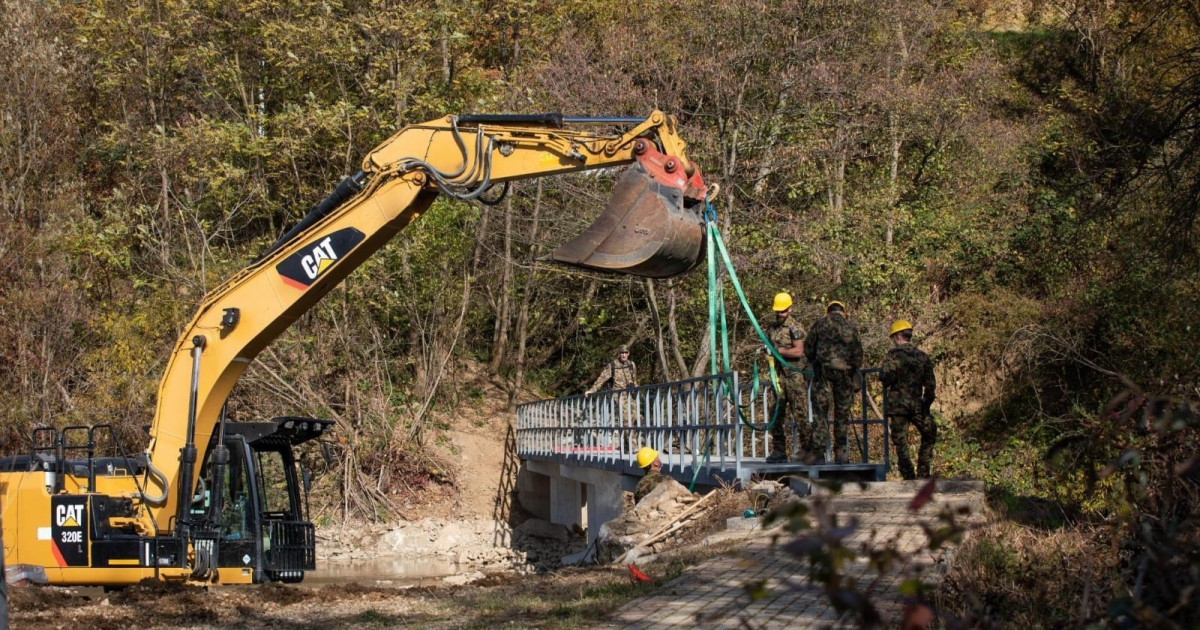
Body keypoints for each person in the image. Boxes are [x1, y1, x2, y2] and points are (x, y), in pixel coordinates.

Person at [762, 292, 821, 464]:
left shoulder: (795, 327)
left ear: (790, 309)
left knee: (800, 414)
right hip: (777, 376)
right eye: (778, 311)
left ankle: (808, 450)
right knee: (775, 413)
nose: (780, 314)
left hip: (794, 377)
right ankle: (779, 451)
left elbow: (798, 351)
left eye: (783, 311)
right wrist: (768, 355)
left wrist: (778, 352)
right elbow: (768, 346)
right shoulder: (772, 328)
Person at [804, 301, 863, 464]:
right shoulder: (851, 327)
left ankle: (818, 453)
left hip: (823, 372)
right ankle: (841, 452)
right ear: (843, 312)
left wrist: (815, 360)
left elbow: (808, 348)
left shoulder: (819, 324)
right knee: (842, 413)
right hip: (845, 374)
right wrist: (852, 368)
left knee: (820, 412)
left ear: (827, 312)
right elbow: (858, 355)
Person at [880, 319, 937, 480]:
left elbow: (885, 378)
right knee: (930, 433)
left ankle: (909, 477)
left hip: (898, 407)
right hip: (917, 405)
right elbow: (931, 385)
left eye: (893, 337)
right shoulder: (922, 356)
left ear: (898, 336)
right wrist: (926, 403)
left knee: (901, 442)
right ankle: (923, 473)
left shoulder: (893, 355)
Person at [586, 345, 639, 448]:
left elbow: (634, 379)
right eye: (622, 353)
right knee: (626, 419)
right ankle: (633, 446)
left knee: (634, 419)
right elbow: (602, 378)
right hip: (619, 395)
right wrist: (592, 390)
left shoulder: (631, 364)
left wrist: (637, 389)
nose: (624, 355)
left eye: (626, 353)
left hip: (631, 394)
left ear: (628, 353)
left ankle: (625, 445)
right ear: (619, 354)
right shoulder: (613, 365)